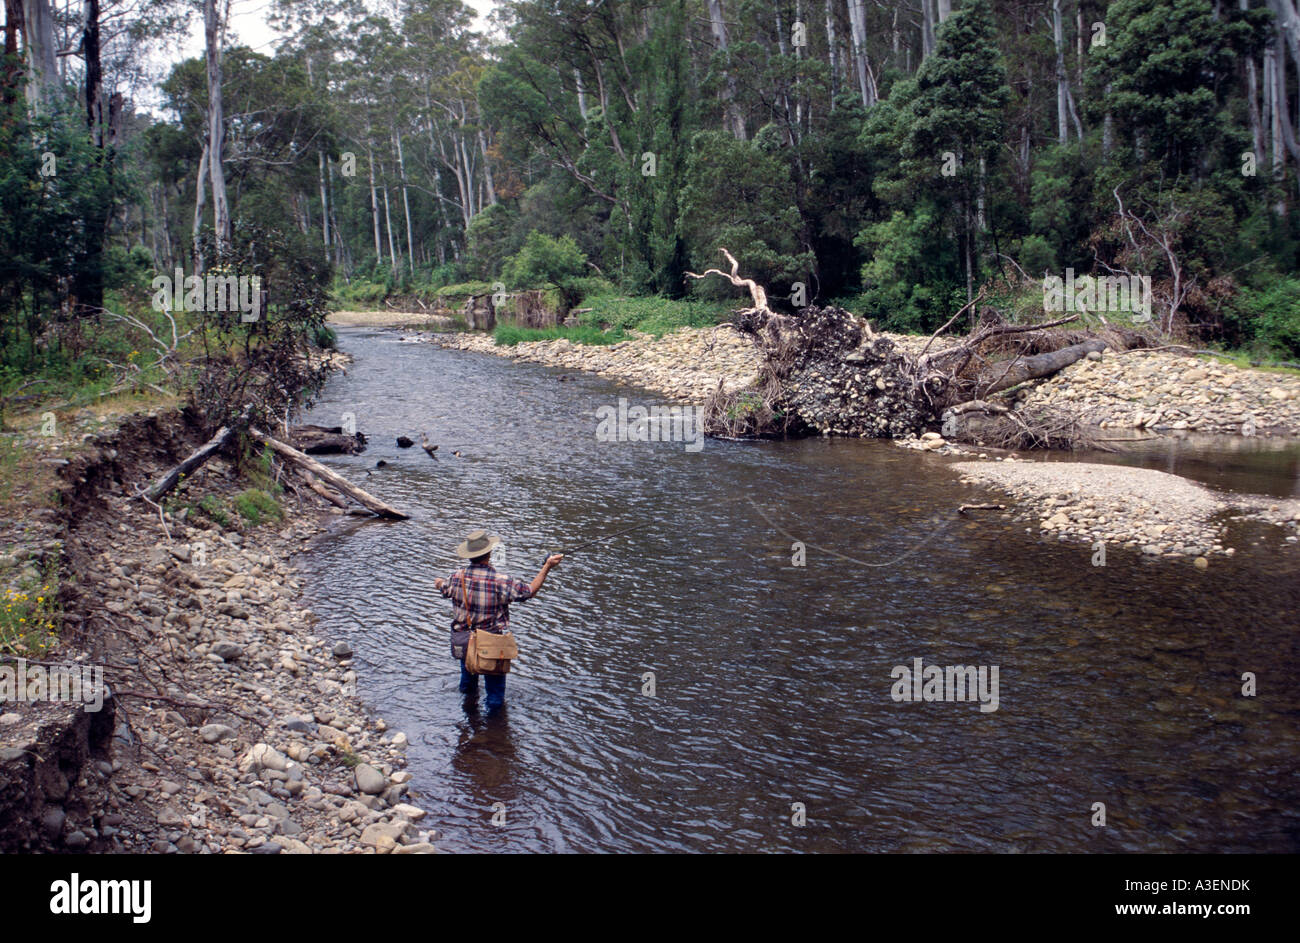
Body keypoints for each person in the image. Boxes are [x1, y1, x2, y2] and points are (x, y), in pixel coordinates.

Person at [434, 529, 562, 710]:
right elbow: (529, 591)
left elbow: (442, 587)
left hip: (464, 641)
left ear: (470, 555)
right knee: (494, 696)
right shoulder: (500, 581)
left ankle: (468, 722)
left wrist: (438, 581)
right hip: (492, 645)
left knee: (467, 685)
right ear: (489, 553)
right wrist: (547, 567)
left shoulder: (456, 577)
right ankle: (492, 730)